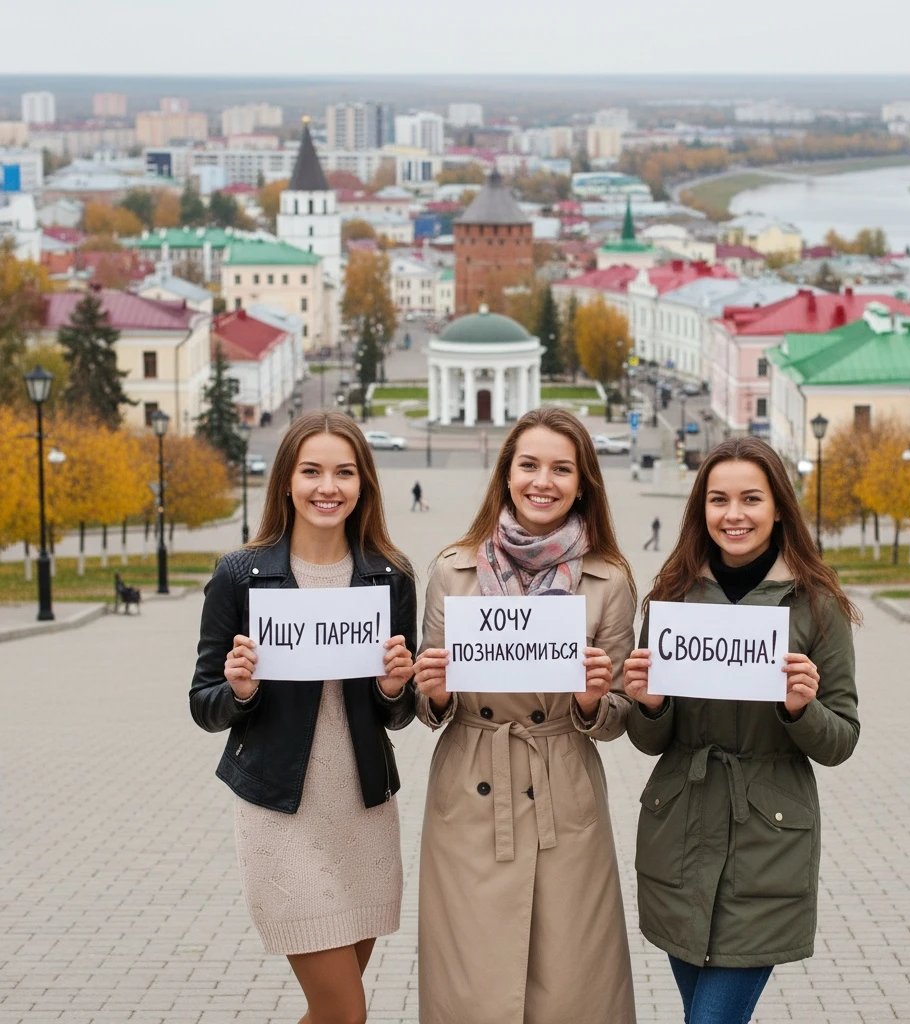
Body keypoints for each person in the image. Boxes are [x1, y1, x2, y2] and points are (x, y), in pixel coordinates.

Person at [412, 406, 639, 1024]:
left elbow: (621, 712)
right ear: (506, 475)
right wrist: (431, 691)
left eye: (562, 468)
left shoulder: (610, 578)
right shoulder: (452, 569)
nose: (544, 481)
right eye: (529, 465)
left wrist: (594, 701)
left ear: (583, 481)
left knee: (572, 983)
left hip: (562, 786)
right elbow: (424, 703)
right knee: (471, 983)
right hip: (471, 786)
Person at [189, 411, 417, 1024]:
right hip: (278, 812)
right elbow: (203, 703)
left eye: (344, 472)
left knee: (331, 1012)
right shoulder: (241, 574)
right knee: (346, 1010)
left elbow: (398, 714)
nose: (328, 487)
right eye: (311, 471)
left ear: (364, 483)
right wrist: (239, 690)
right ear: (286, 481)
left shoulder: (388, 576)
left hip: (363, 812)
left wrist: (396, 687)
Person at [623, 436, 860, 1024]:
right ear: (700, 510)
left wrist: (801, 709)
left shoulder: (816, 604)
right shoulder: (671, 598)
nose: (734, 515)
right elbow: (652, 740)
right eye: (718, 500)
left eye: (751, 499)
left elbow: (843, 739)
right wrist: (648, 706)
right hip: (679, 835)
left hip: (766, 845)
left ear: (778, 506)